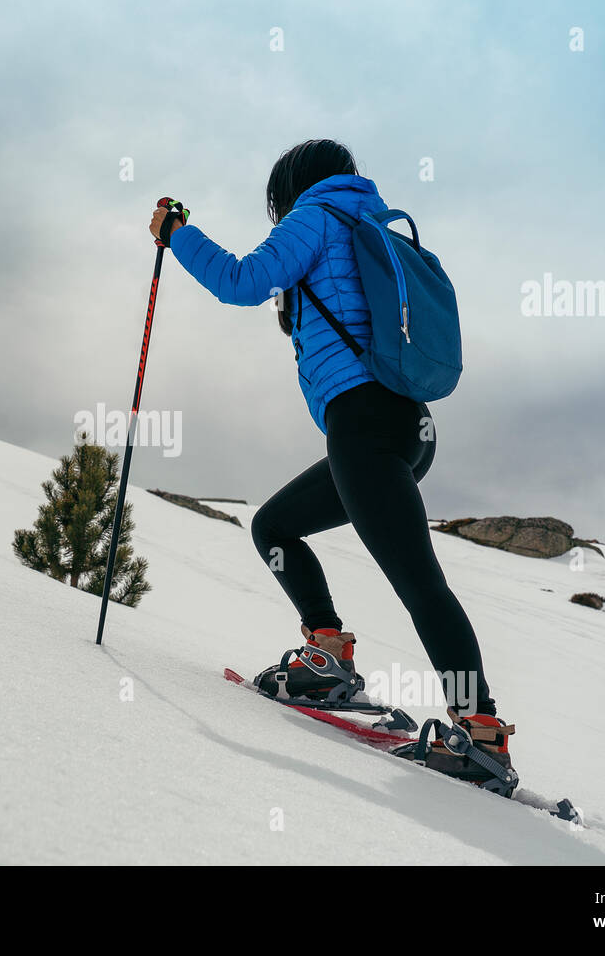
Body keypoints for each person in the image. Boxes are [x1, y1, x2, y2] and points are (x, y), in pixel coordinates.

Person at [149, 139, 512, 772]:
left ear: (290, 188)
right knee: (275, 526)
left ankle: (479, 729)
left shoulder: (313, 218)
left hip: (364, 423)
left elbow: (240, 281)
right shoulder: (372, 221)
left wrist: (178, 231)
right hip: (408, 426)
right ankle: (327, 658)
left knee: (419, 582)